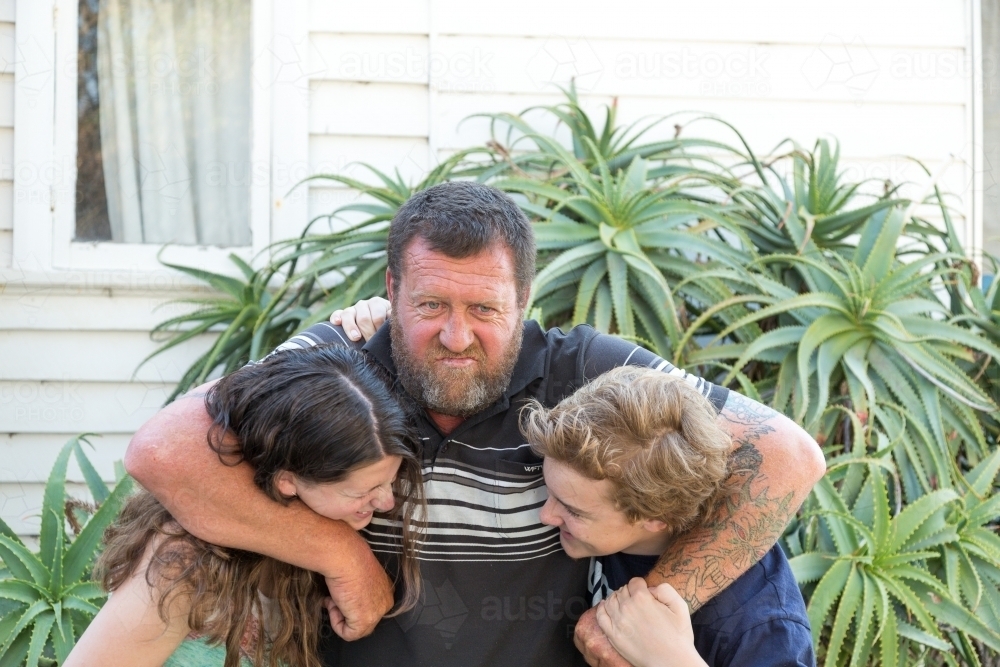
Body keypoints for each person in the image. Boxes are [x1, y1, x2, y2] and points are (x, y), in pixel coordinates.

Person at [125, 181, 826, 666]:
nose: (456, 337)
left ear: (524, 298)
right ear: (391, 289)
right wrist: (343, 557)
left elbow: (787, 455)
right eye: (431, 304)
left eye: (485, 310)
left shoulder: (591, 374)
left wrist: (648, 612)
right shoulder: (332, 365)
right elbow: (162, 450)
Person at [67, 345, 424, 667]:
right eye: (362, 491)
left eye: (388, 482)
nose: (386, 501)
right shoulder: (183, 563)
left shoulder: (308, 561)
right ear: (288, 481)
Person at [525, 365, 815, 667]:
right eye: (551, 493)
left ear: (656, 517)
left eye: (573, 511)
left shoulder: (761, 625)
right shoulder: (608, 528)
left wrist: (672, 660)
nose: (546, 515)